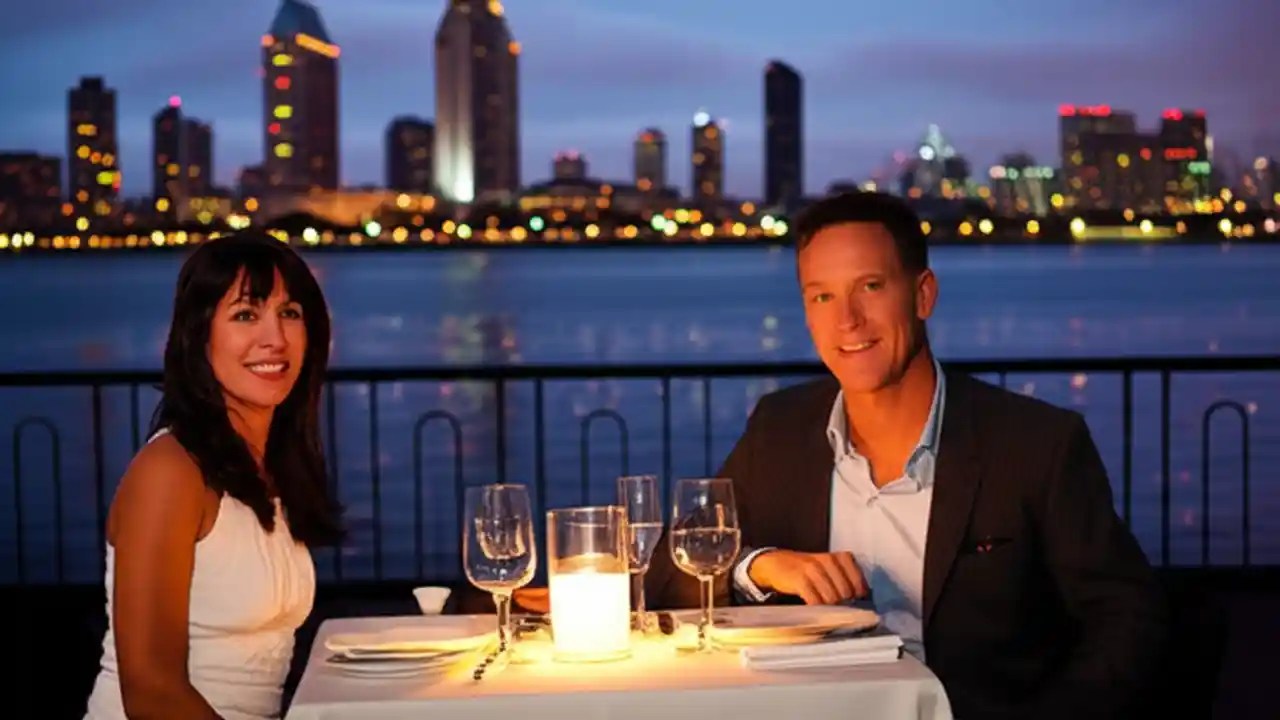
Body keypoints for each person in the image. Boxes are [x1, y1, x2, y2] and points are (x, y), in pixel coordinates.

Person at [644, 191, 1167, 719]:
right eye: (821, 297)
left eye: (870, 287)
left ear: (922, 296)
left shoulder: (1035, 444)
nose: (846, 320)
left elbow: (1127, 621)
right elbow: (668, 571)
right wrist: (759, 567)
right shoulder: (781, 427)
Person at [84, 231, 344, 720]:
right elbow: (151, 693)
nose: (275, 338)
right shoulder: (171, 472)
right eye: (246, 315)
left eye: (289, 313)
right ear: (199, 335)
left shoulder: (271, 466)